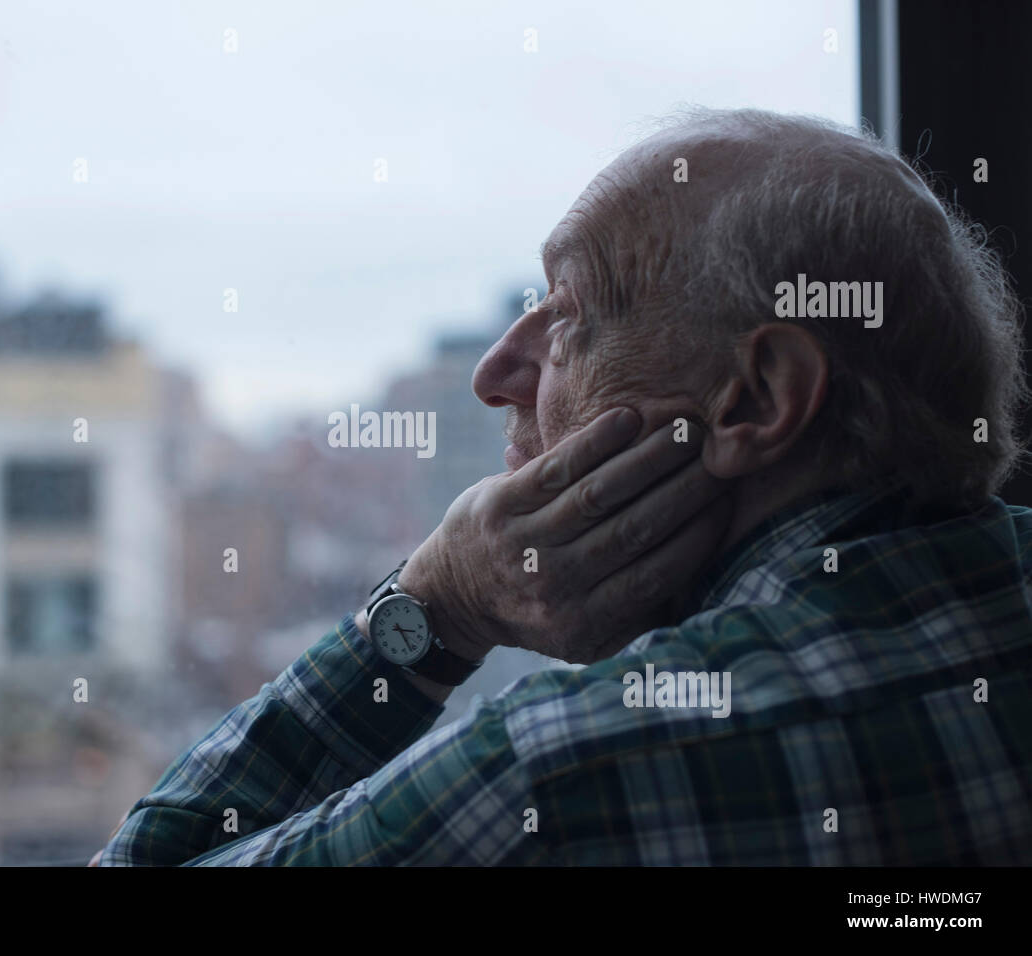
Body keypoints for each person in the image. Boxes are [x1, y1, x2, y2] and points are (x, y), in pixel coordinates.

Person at [93, 107, 1032, 865]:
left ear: (757, 398)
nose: (497, 371)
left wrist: (436, 608)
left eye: (569, 314)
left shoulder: (556, 775)